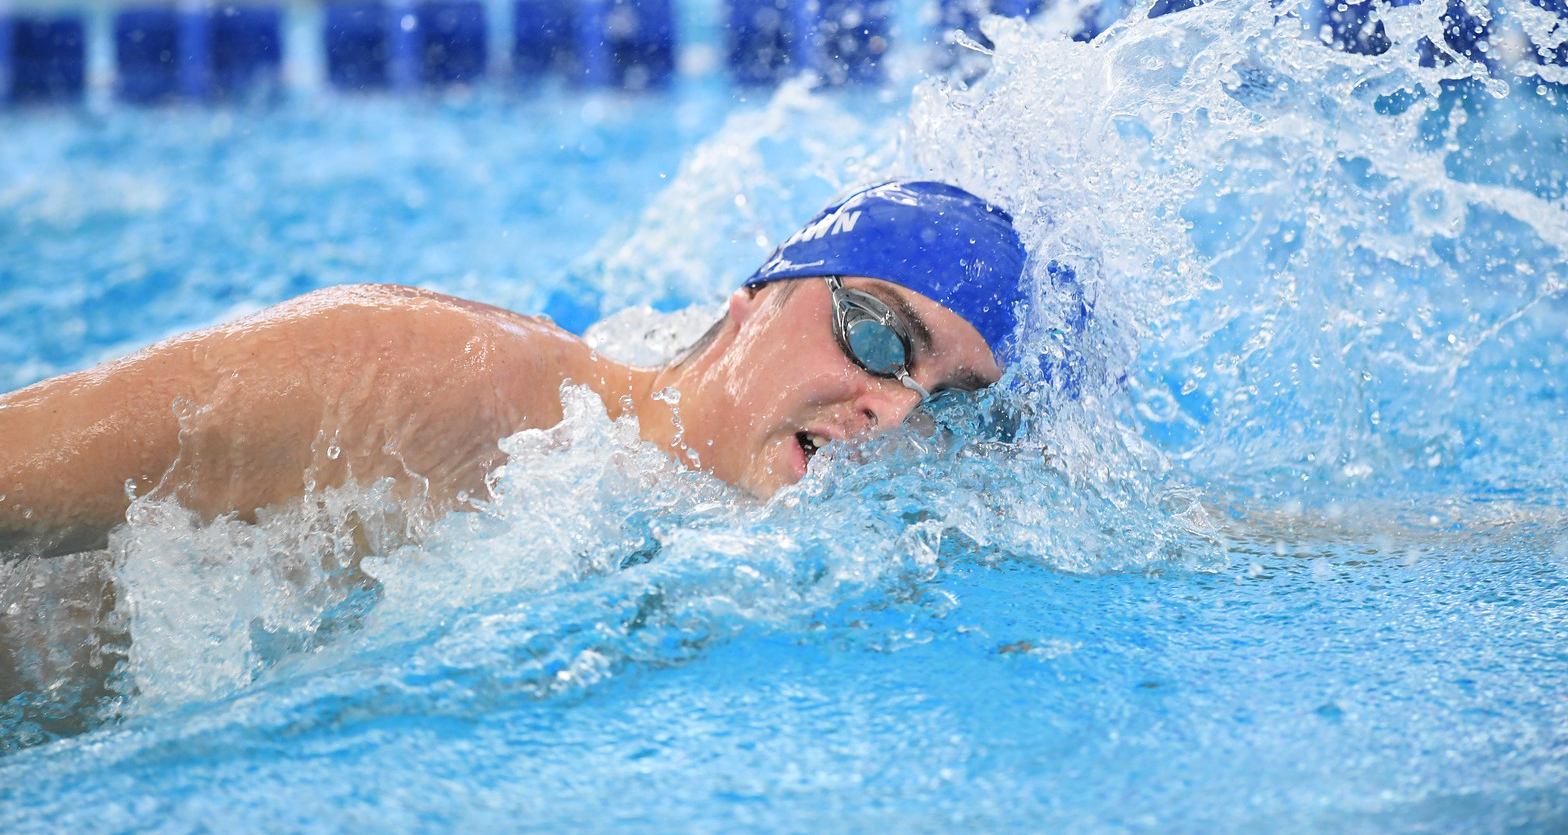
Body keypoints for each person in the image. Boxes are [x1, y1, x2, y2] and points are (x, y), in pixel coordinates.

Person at [0, 180, 1028, 558]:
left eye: (946, 405)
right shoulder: (443, 377)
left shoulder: (688, 545)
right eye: (881, 338)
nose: (893, 409)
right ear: (753, 300)